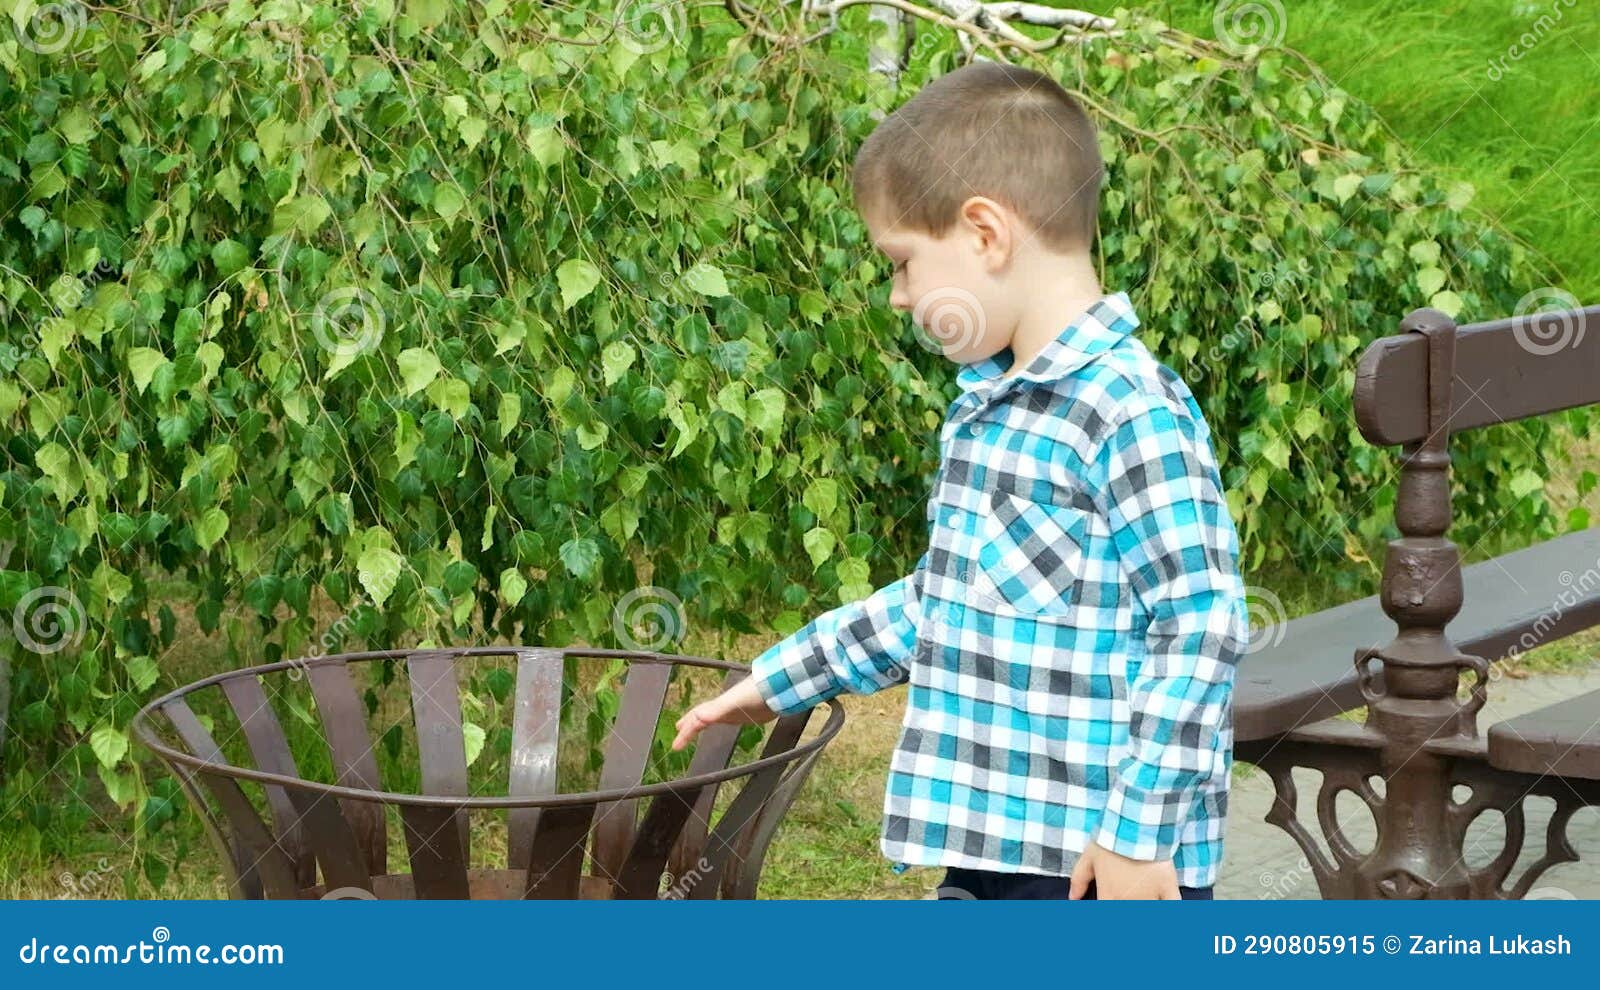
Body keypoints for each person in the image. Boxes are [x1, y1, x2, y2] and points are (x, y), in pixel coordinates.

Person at [670, 60, 1250, 901]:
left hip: (1095, 870)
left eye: (902, 262)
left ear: (984, 234)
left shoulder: (1126, 408)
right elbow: (943, 602)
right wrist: (781, 679)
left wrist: (1137, 831)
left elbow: (1200, 621)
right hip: (997, 852)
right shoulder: (994, 409)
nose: (898, 296)